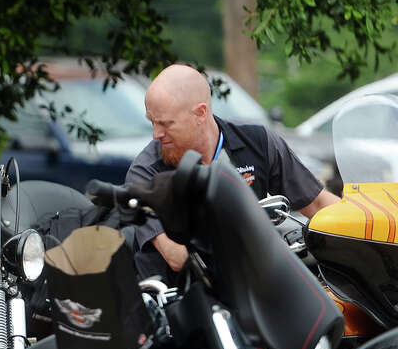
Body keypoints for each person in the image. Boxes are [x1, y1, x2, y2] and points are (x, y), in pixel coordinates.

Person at [126, 63, 338, 276]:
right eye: (152, 122)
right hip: (181, 291)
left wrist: (355, 227)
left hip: (248, 285)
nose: (156, 134)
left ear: (200, 113)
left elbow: (319, 203)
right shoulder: (145, 171)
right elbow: (177, 256)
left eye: (165, 124)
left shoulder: (258, 142)